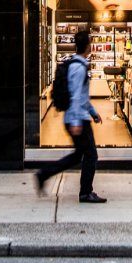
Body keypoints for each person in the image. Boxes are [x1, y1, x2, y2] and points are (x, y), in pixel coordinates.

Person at [34, 29, 107, 203]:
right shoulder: (78, 67)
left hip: (78, 116)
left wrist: (93, 112)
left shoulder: (77, 64)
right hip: (77, 119)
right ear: (87, 46)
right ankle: (85, 192)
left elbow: (81, 96)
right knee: (91, 155)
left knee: (78, 155)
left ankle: (44, 174)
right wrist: (76, 122)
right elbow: (75, 96)